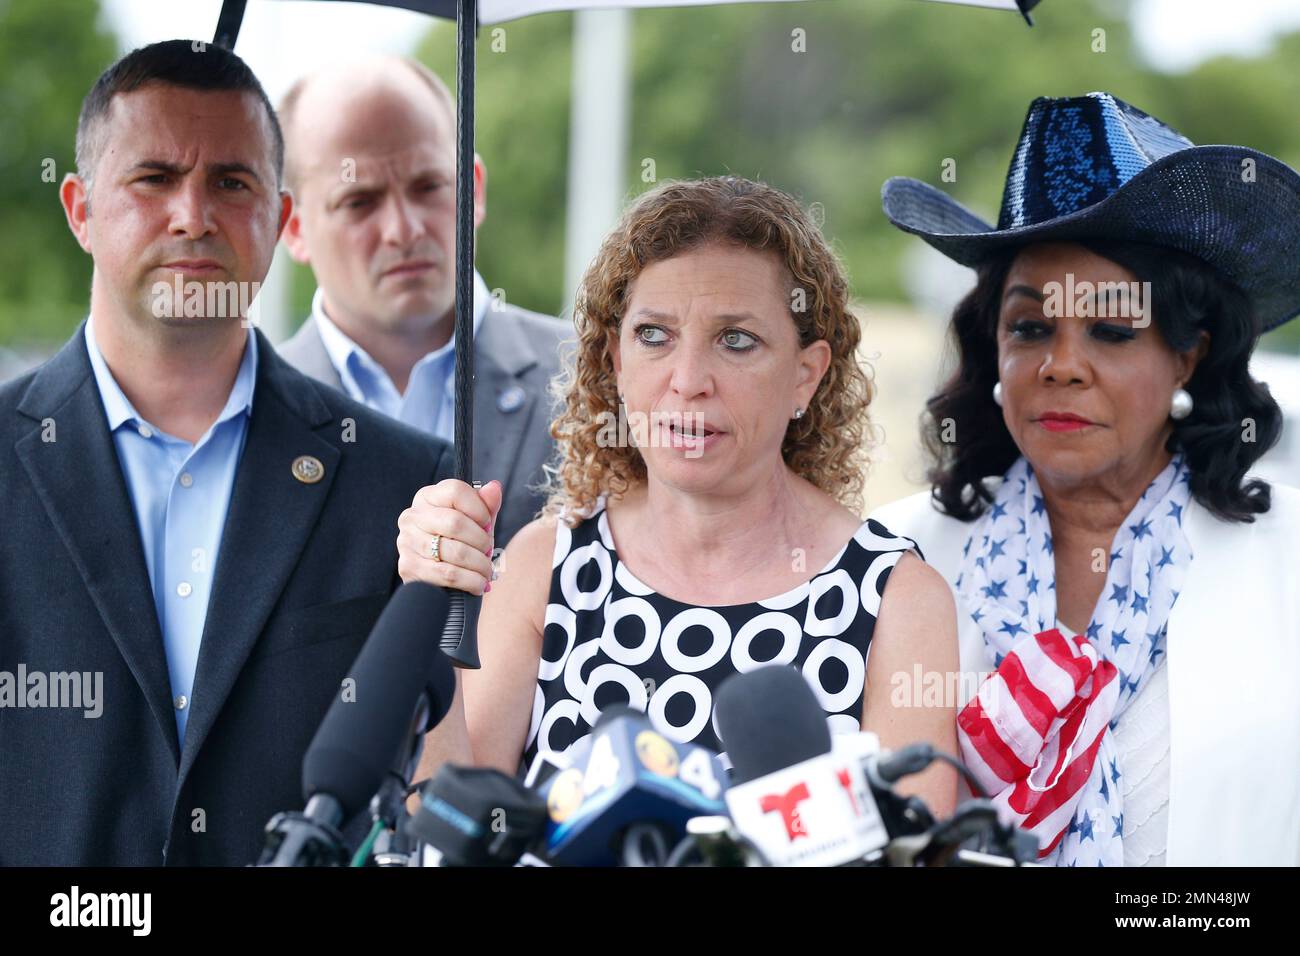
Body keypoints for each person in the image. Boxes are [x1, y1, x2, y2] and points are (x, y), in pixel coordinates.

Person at [0, 40, 453, 866]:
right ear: (80, 210)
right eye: (154, 178)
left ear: (281, 222)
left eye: (231, 183)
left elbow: (437, 773)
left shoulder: (403, 480)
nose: (193, 216)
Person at [398, 176, 960, 817]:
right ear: (614, 360)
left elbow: (919, 849)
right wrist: (431, 603)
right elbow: (441, 820)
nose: (688, 380)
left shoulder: (899, 598)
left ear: (806, 375)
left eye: (737, 340)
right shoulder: (546, 566)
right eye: (654, 336)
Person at [871, 92, 1300, 866]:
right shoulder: (897, 559)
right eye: (1030, 327)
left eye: (1110, 330)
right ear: (991, 345)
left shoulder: (1290, 562)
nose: (1061, 366)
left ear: (1188, 355)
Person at [276, 57, 565, 547]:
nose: (403, 230)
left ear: (472, 188)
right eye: (359, 201)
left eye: (428, 186)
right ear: (293, 228)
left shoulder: (599, 378)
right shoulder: (249, 416)